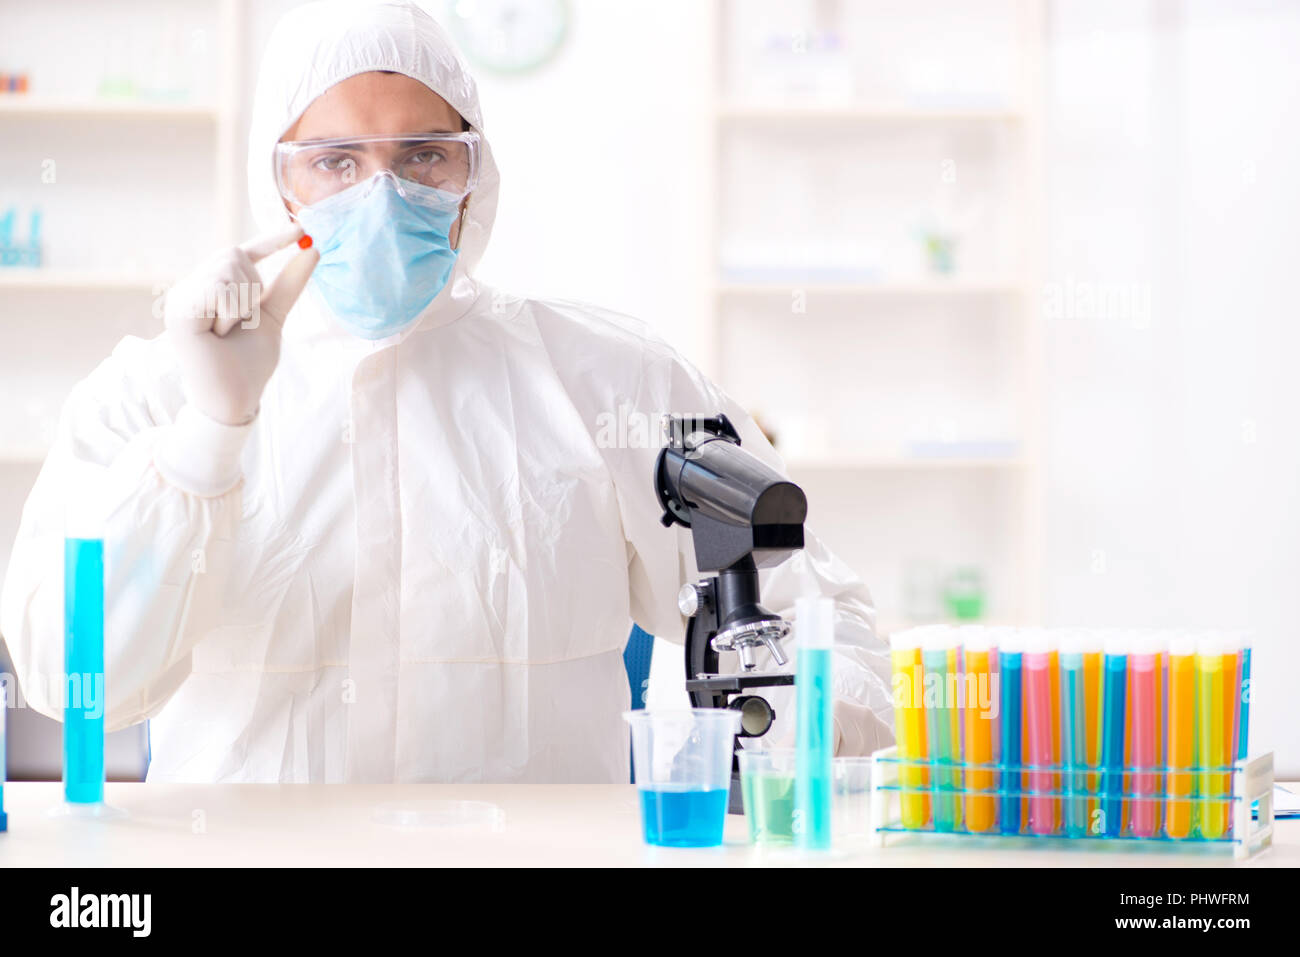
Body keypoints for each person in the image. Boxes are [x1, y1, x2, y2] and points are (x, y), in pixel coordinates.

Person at [0, 0, 892, 783]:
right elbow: (75, 683)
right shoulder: (156, 390)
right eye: (336, 162)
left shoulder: (611, 377)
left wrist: (768, 743)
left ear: (475, 176)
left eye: (424, 156)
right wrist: (209, 434)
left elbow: (816, 619)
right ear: (276, 180)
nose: (383, 197)